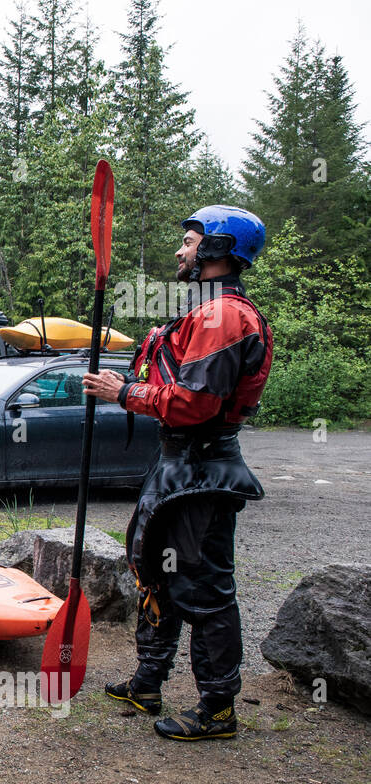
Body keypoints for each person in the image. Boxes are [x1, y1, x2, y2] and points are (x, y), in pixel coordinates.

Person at [84, 205, 272, 742]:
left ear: (216, 249)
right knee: (152, 571)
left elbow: (195, 403)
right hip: (176, 463)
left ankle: (217, 709)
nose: (180, 251)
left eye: (189, 242)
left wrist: (125, 393)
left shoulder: (225, 316)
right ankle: (148, 681)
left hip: (203, 469)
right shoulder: (200, 310)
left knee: (206, 590)